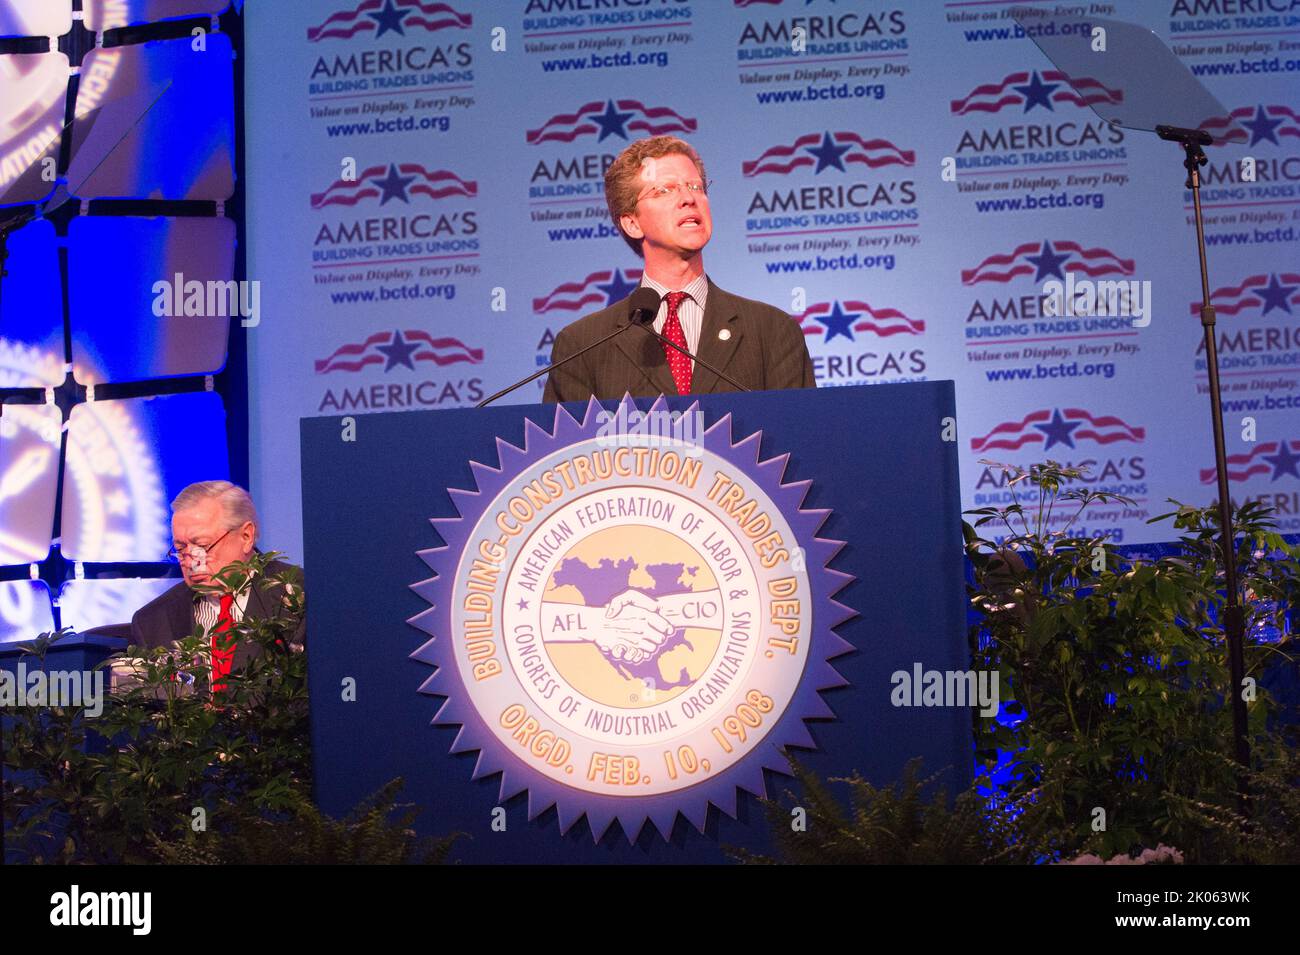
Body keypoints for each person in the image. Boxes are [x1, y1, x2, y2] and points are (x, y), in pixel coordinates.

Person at [542, 135, 816, 402]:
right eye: (665, 190)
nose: (688, 198)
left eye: (696, 187)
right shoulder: (582, 346)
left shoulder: (772, 332)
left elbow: (800, 439)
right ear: (632, 223)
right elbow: (569, 448)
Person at [129, 481, 304, 687]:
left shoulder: (301, 597)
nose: (192, 560)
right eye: (181, 548)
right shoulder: (152, 621)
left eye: (203, 546)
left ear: (246, 536)